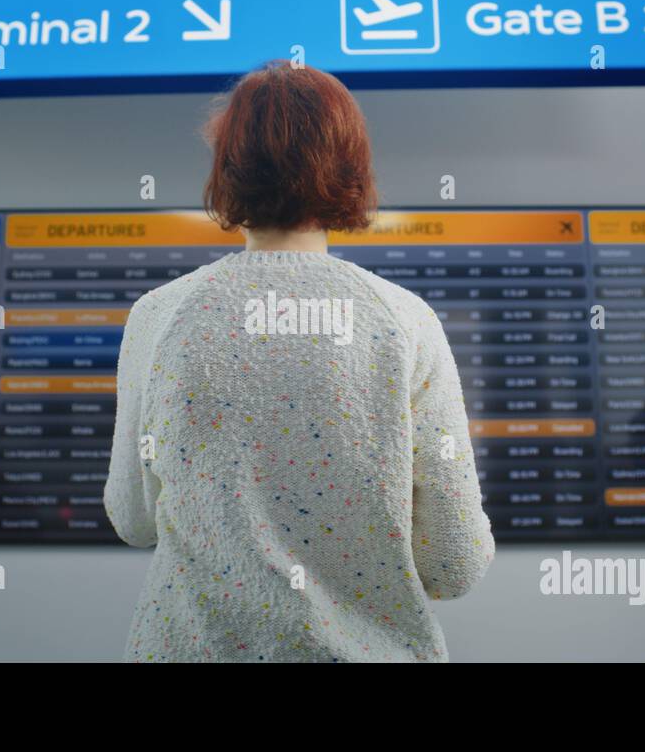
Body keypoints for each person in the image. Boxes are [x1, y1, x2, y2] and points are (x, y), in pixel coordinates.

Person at [103, 61, 495, 662]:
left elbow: (134, 519)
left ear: (228, 168)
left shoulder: (160, 316)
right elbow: (454, 562)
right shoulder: (404, 320)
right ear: (350, 167)